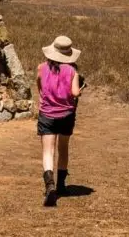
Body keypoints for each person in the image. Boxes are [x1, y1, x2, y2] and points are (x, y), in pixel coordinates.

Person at [37, 35, 83, 207]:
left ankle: (50, 185)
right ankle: (62, 185)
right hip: (66, 114)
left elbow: (40, 86)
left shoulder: (41, 67)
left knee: (48, 151)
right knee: (63, 149)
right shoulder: (72, 71)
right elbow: (75, 93)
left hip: (47, 113)